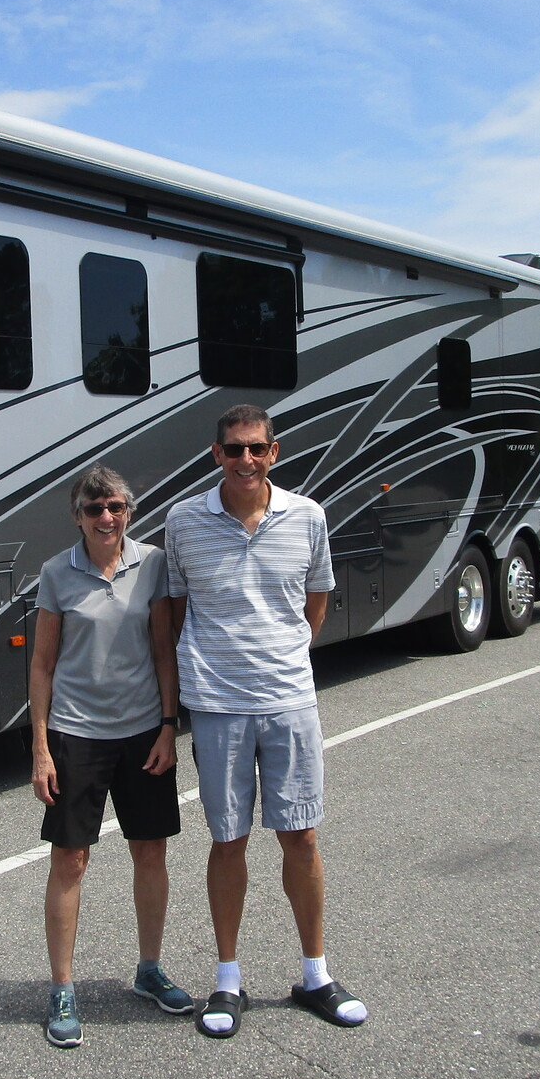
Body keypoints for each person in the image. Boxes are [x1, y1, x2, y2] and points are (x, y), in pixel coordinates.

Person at [165, 403, 368, 1039]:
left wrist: (283, 656)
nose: (246, 460)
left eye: (257, 448)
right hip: (217, 704)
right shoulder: (184, 521)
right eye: (234, 449)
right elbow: (176, 610)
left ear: (274, 452)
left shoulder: (307, 516)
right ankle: (228, 980)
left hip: (289, 700)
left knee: (301, 837)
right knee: (228, 841)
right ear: (216, 455)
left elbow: (316, 600)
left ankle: (316, 976)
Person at [30, 465, 194, 1048]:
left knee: (149, 851)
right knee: (70, 860)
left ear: (129, 512)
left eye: (116, 507)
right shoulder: (57, 573)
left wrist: (169, 727)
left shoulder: (152, 564)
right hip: (77, 734)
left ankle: (149, 970)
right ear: (77, 516)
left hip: (143, 730)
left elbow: (164, 650)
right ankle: (62, 988)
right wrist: (40, 747)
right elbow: (43, 664)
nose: (106, 518)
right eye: (94, 508)